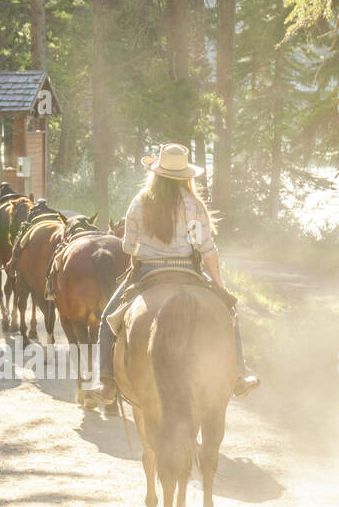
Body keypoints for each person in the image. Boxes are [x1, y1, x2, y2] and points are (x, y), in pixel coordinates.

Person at [97, 143, 260, 402]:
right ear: (185, 176)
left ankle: (106, 382)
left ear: (156, 173)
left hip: (147, 272)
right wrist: (220, 286)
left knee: (107, 320)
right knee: (229, 315)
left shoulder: (140, 202)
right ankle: (239, 376)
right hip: (188, 271)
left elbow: (129, 246)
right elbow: (207, 250)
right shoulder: (193, 205)